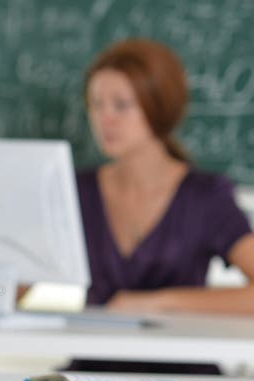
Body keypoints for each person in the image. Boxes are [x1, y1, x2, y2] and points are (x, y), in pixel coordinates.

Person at [78, 38, 254, 314]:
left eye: (121, 105)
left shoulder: (205, 196)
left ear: (157, 106)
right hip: (93, 355)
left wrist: (162, 302)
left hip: (180, 355)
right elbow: (10, 287)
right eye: (96, 104)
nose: (105, 118)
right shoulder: (77, 190)